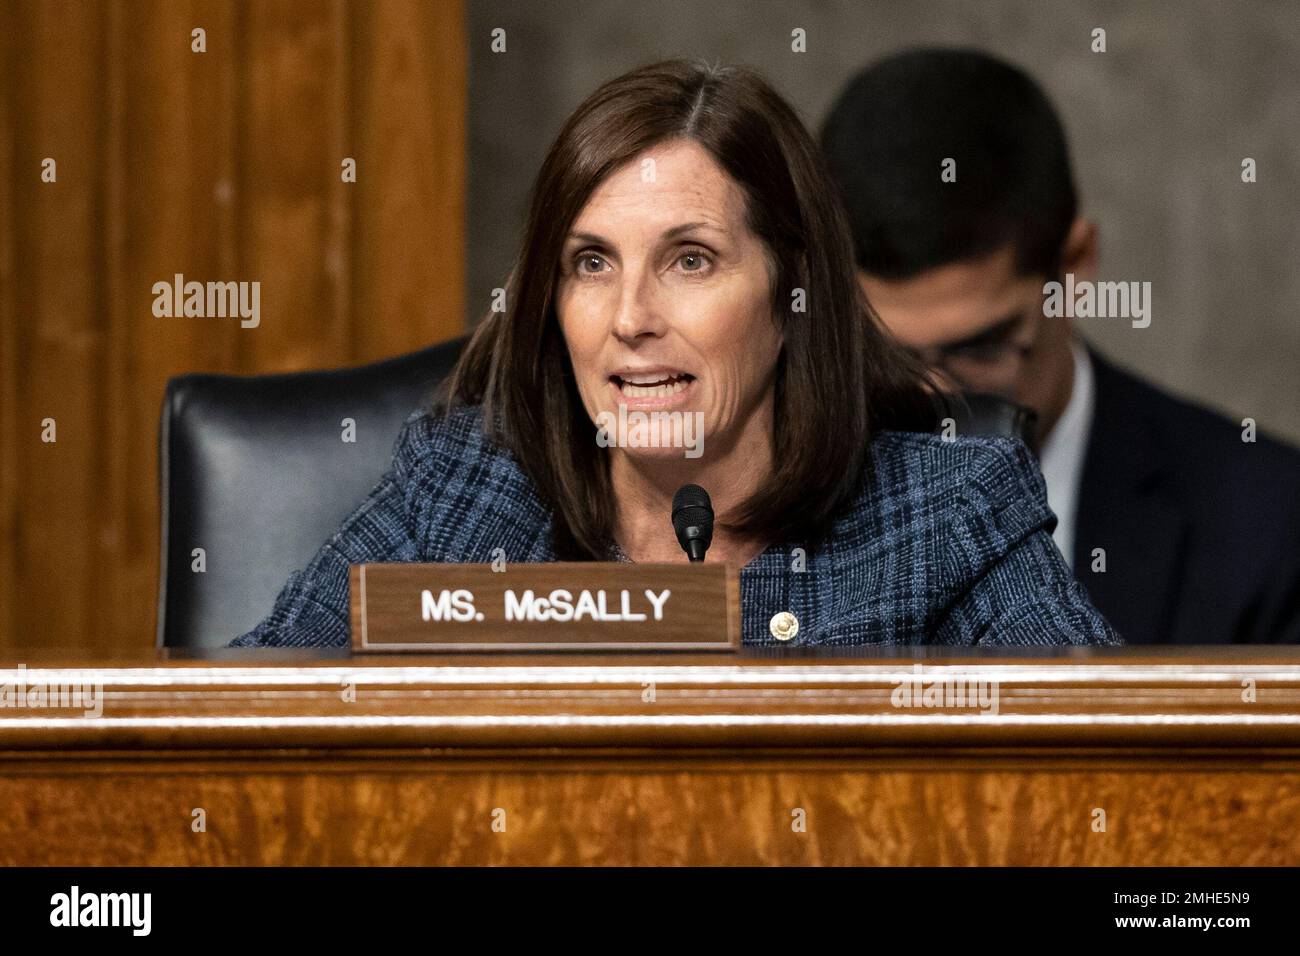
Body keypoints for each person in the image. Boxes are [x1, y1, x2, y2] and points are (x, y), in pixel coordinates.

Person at [233, 59, 1119, 648]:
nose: (630, 318)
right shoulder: (463, 495)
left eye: (690, 261)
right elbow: (240, 727)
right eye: (591, 264)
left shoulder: (945, 520)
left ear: (792, 293)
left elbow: (1111, 775)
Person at [821, 48, 1300, 645]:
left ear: (1074, 267)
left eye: (980, 348)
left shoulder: (1268, 524)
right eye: (882, 355)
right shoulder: (764, 511)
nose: (929, 396)